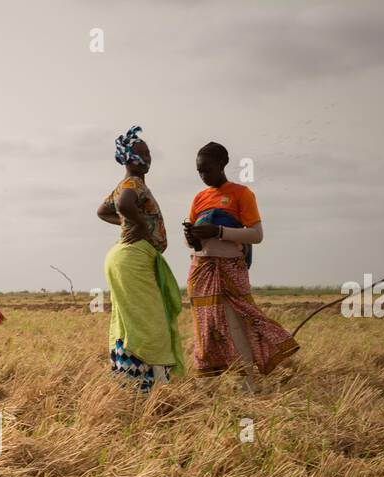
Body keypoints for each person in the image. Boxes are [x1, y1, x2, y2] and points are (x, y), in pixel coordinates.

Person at [182, 142, 297, 391]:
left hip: (230, 270)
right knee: (206, 326)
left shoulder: (241, 194)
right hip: (202, 271)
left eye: (208, 170)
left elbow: (256, 235)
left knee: (236, 324)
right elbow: (191, 242)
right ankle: (208, 388)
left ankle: (247, 383)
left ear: (222, 165)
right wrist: (191, 236)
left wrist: (219, 231)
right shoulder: (199, 198)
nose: (203, 176)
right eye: (199, 171)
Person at [96, 126, 185, 392]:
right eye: (142, 153)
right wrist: (140, 225)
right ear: (129, 158)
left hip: (125, 256)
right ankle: (151, 386)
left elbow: (103, 211)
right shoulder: (132, 184)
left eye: (148, 152)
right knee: (151, 320)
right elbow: (123, 205)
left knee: (133, 318)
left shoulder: (125, 185)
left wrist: (127, 221)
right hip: (133, 257)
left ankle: (135, 381)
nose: (148, 158)